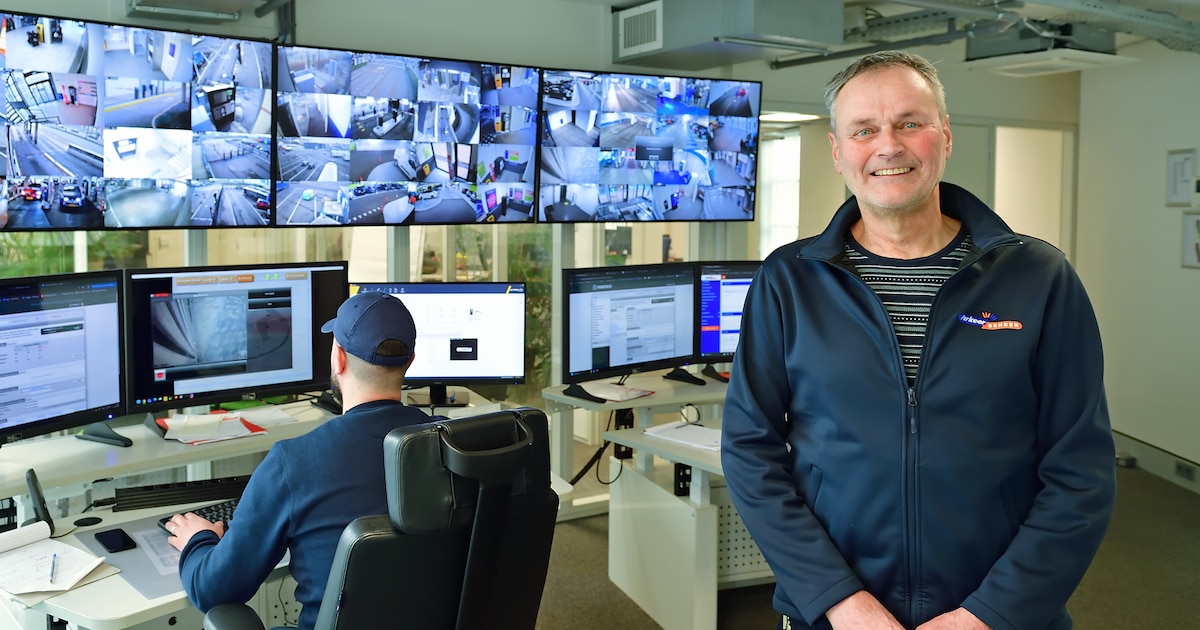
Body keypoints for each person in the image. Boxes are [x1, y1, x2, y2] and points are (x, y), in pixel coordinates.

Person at [720, 50, 1115, 630]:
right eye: (864, 129)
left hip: (1002, 615)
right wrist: (839, 601)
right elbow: (750, 452)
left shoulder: (1038, 277)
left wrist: (989, 614)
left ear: (945, 137)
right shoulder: (789, 280)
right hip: (836, 617)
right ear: (838, 151)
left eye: (910, 122)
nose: (889, 145)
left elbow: (1081, 471)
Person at [165, 291, 431, 630]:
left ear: (339, 359)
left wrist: (198, 541)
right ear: (410, 360)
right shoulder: (456, 448)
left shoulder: (294, 462)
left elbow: (212, 590)